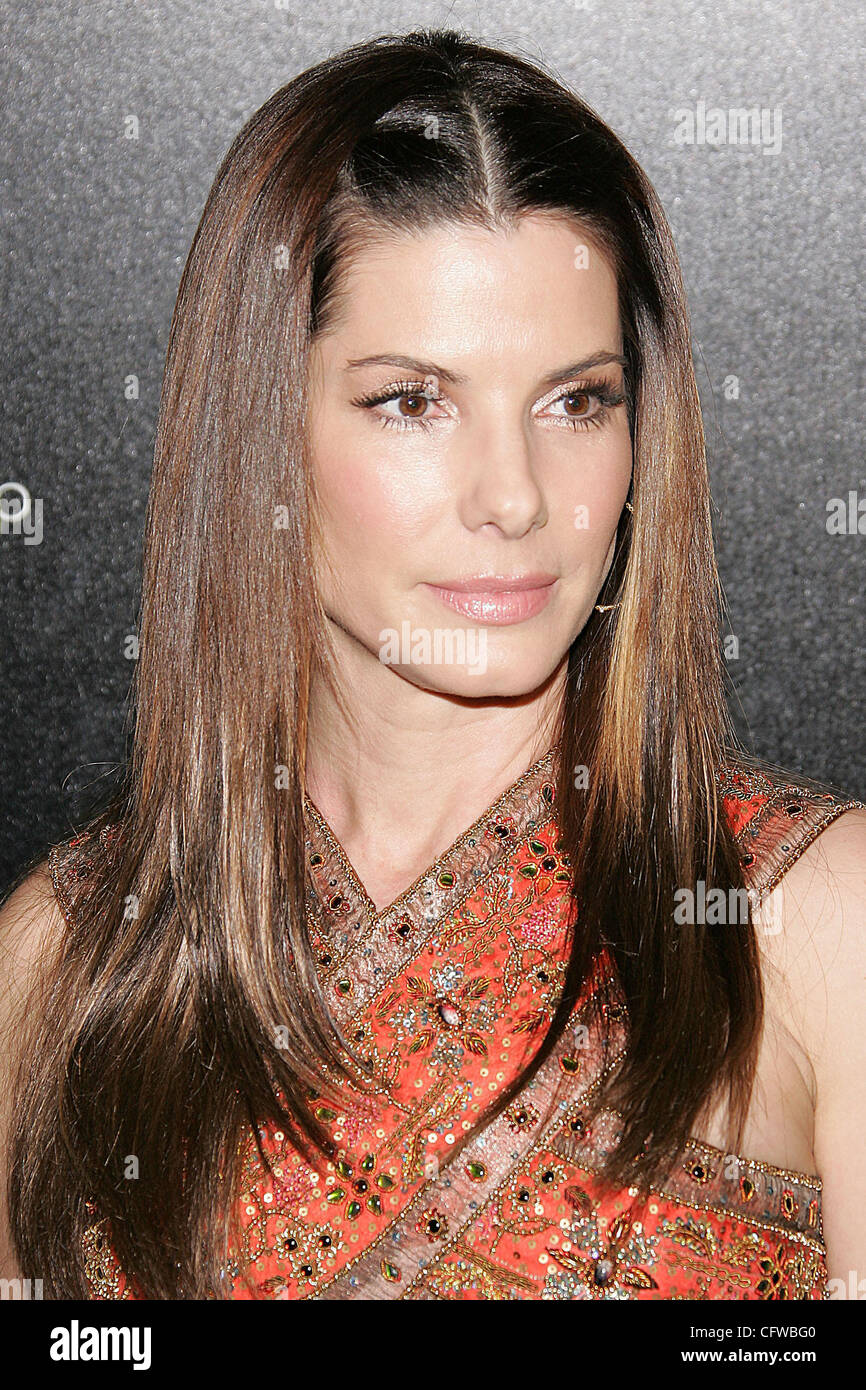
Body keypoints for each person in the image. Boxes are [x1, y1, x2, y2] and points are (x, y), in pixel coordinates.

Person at [1, 27, 864, 1301]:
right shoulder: (60, 967)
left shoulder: (814, 925)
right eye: (412, 400)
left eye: (575, 400)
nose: (514, 496)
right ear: (259, 432)